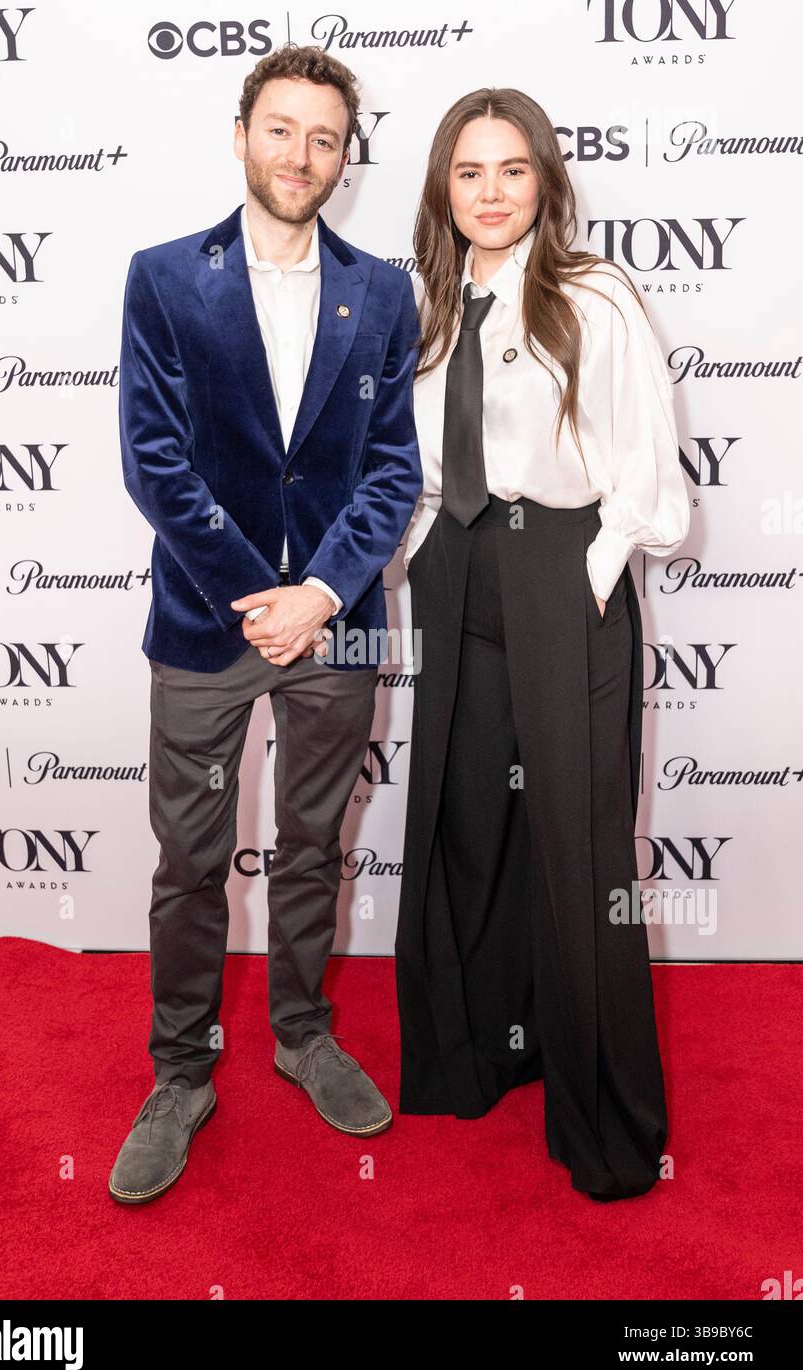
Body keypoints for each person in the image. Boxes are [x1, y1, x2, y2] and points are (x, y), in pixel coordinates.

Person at [109, 45, 422, 1204]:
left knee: (313, 847)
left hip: (335, 622)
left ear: (347, 157)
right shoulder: (161, 277)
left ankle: (300, 1029)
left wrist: (323, 596)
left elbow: (391, 469)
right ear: (242, 135)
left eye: (324, 137)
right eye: (280, 130)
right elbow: (154, 463)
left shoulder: (382, 291)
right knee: (191, 861)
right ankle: (181, 1070)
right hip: (205, 619)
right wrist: (263, 596)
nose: (301, 155)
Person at [395, 88, 690, 1201]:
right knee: (465, 824)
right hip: (456, 569)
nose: (490, 193)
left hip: (562, 567)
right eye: (468, 172)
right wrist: (422, 558)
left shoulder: (593, 295)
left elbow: (645, 466)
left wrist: (588, 575)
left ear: (545, 180)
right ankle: (481, 1054)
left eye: (511, 169)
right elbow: (416, 468)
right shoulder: (424, 305)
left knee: (578, 849)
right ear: (442, 187)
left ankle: (605, 1121)